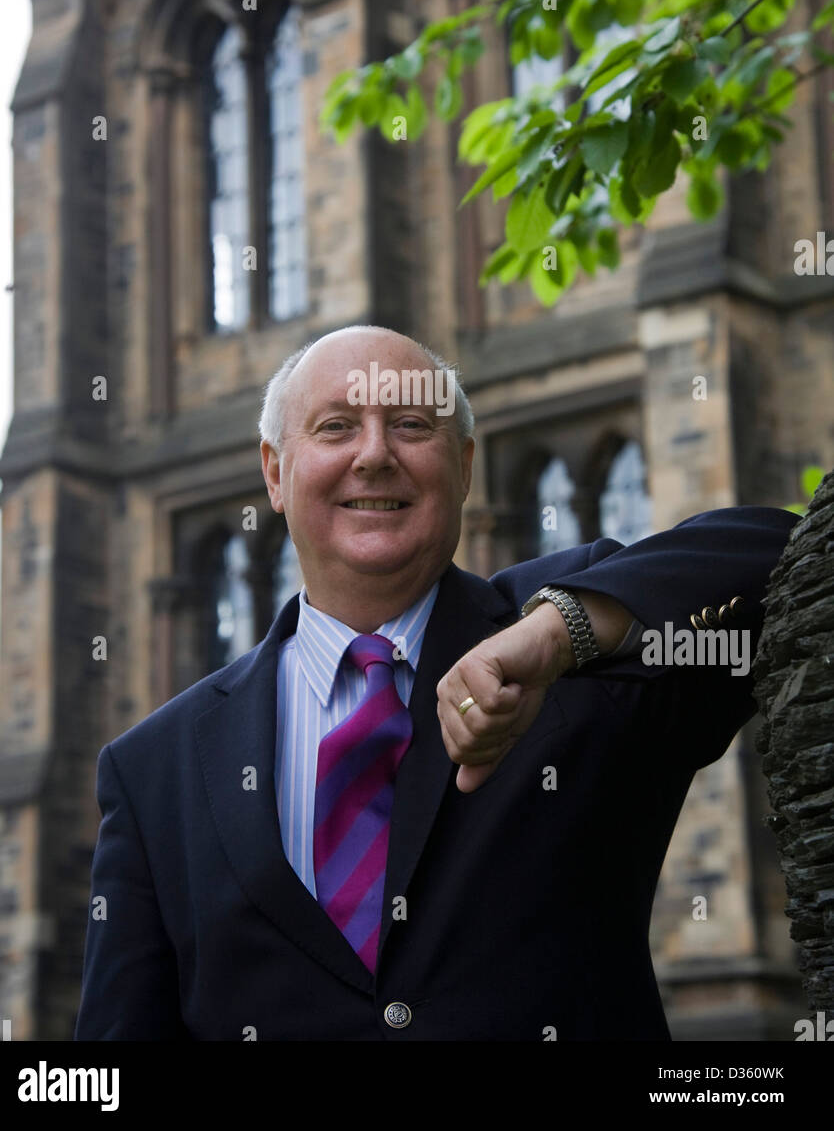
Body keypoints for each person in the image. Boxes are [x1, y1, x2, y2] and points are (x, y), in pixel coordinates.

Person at [74, 325, 798, 1041]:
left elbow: (790, 562)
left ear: (465, 465)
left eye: (411, 424)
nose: (374, 455)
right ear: (274, 472)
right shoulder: (152, 771)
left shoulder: (578, 654)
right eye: (336, 427)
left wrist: (561, 633)